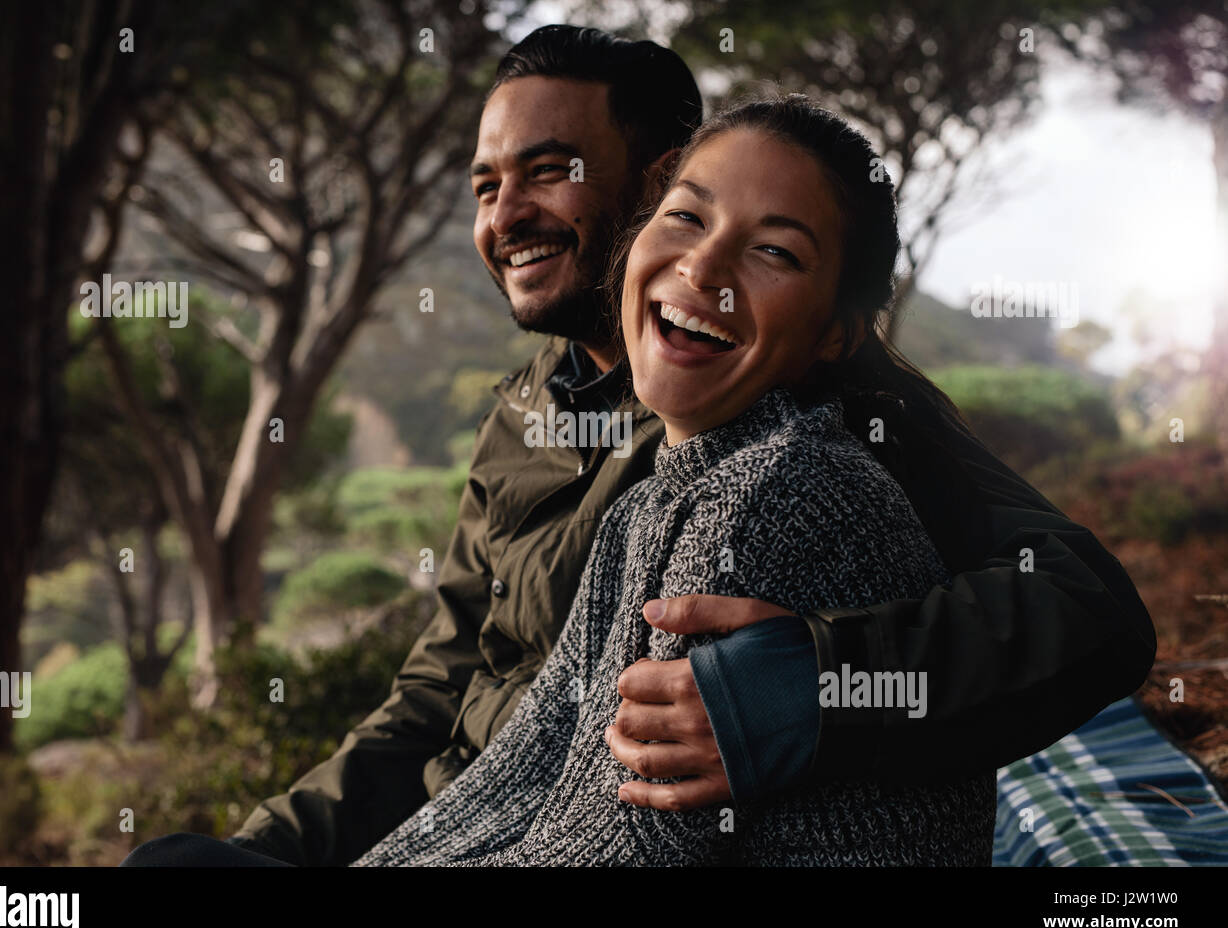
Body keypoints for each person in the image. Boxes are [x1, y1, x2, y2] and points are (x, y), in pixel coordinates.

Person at [122, 25, 1154, 868]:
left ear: (654, 172)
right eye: (485, 185)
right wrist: (265, 852)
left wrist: (816, 685)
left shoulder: (816, 418)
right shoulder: (524, 408)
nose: (505, 214)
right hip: (465, 828)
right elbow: (436, 697)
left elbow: (1086, 608)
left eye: (546, 172)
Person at [357, 94, 998, 865]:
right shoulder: (646, 508)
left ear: (836, 333)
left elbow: (618, 846)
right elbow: (518, 777)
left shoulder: (774, 491)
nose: (704, 269)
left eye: (775, 252)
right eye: (687, 218)